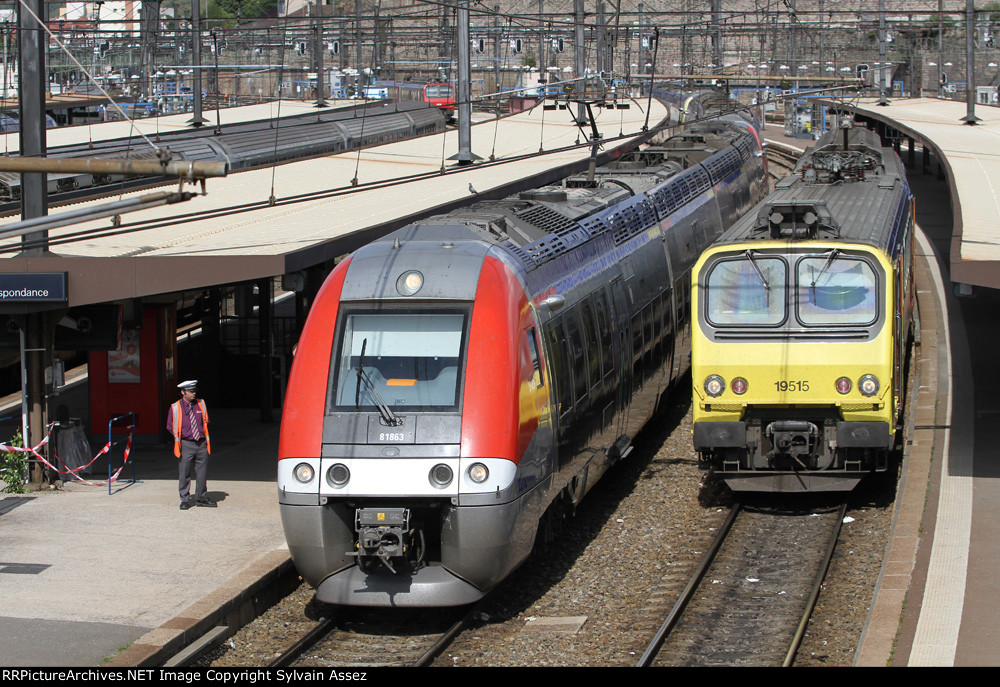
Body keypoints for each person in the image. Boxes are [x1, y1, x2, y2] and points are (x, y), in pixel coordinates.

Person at [166, 380, 215, 510]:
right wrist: (182, 437)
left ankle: (201, 498)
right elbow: (170, 426)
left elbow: (206, 421)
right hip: (186, 444)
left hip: (201, 443)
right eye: (191, 391)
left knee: (202, 472)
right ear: (183, 392)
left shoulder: (201, 404)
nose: (194, 393)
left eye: (195, 391)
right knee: (184, 472)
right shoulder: (175, 407)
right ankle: (185, 499)